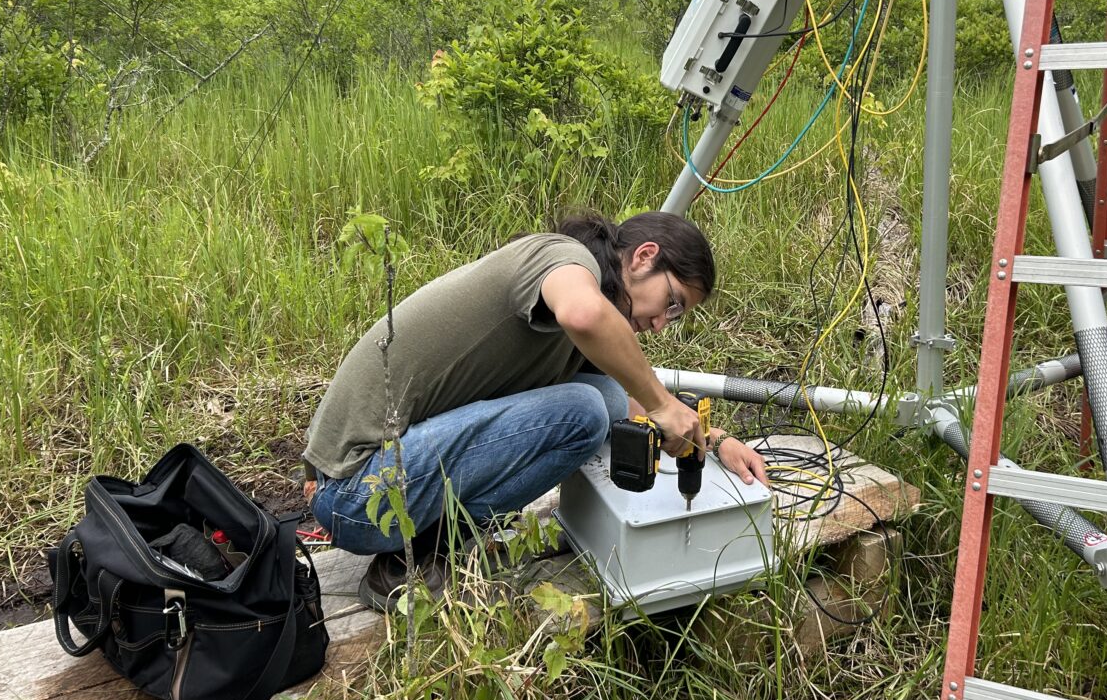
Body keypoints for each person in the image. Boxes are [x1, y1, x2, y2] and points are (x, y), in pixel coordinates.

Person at [302, 209, 769, 610]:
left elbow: (625, 400)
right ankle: (409, 564)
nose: (662, 324)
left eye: (677, 316)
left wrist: (715, 441)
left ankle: (431, 546)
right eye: (672, 303)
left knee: (602, 399)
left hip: (378, 480)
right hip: (359, 491)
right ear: (644, 256)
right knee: (584, 410)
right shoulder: (563, 258)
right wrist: (662, 402)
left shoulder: (580, 310)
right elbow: (585, 316)